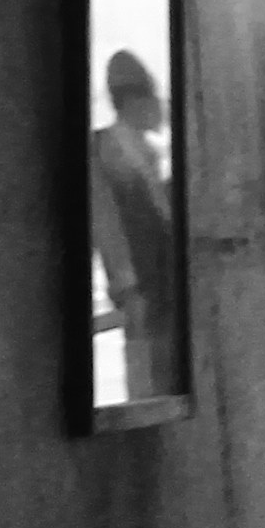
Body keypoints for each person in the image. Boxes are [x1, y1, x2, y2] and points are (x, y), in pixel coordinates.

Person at [88, 47, 179, 392]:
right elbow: (106, 224)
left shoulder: (150, 157)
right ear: (136, 102)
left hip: (165, 286)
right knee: (148, 380)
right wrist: (126, 287)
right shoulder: (105, 151)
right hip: (142, 291)